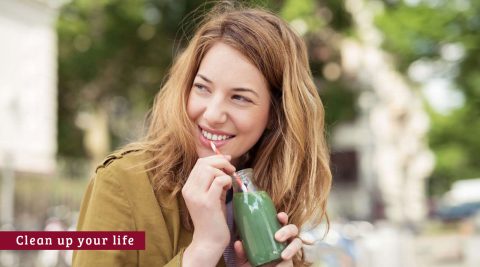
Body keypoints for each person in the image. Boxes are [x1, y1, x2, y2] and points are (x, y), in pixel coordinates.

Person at [72, 2, 332, 267]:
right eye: (202, 88)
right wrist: (202, 251)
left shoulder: (271, 198)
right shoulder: (122, 182)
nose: (212, 114)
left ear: (275, 115)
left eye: (239, 97)